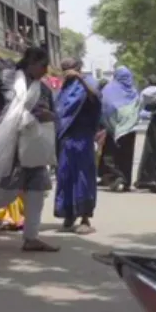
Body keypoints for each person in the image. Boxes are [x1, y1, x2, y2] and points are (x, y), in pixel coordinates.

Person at [0, 45, 58, 252]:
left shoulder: (43, 89)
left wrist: (47, 117)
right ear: (31, 63)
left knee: (37, 190)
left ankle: (31, 238)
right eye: (43, 65)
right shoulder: (7, 78)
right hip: (11, 145)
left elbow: (53, 115)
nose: (45, 71)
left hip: (34, 145)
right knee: (8, 193)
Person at [54, 58, 103, 233]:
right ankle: (68, 215)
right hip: (65, 139)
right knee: (65, 176)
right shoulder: (64, 88)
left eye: (69, 68)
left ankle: (85, 218)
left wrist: (80, 79)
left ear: (78, 68)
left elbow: (95, 97)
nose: (66, 71)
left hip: (82, 139)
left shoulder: (88, 82)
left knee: (83, 177)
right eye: (63, 68)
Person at [99, 66, 142, 192]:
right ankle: (126, 182)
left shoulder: (108, 89)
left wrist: (104, 124)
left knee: (109, 156)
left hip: (113, 129)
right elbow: (137, 109)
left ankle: (117, 176)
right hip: (130, 129)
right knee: (127, 156)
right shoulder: (133, 91)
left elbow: (104, 108)